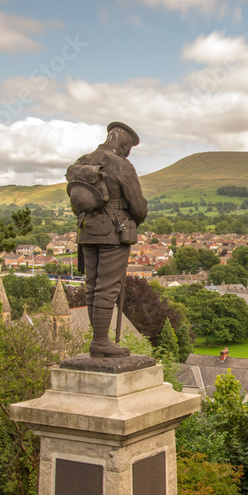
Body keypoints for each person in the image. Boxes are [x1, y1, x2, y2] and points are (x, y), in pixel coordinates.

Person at [66, 122, 148, 357]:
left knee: (92, 286)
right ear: (124, 144)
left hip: (86, 230)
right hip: (113, 232)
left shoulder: (84, 161)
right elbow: (139, 205)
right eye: (128, 147)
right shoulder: (121, 165)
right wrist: (133, 222)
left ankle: (98, 339)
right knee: (108, 287)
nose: (127, 151)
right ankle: (101, 341)